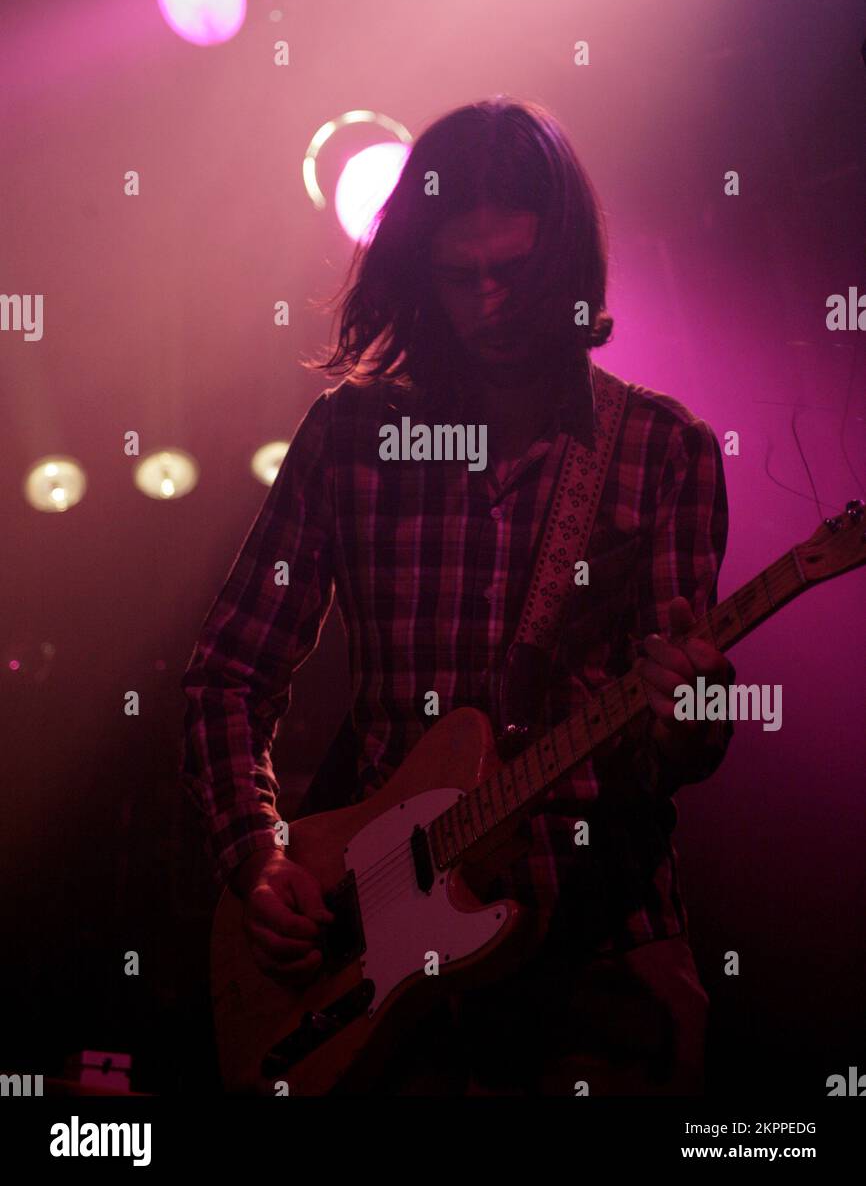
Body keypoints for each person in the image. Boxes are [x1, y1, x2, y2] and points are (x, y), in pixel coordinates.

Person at [181, 96, 735, 1095]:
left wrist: (692, 706)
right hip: (373, 952)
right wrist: (256, 856)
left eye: (513, 275)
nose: (486, 305)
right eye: (456, 276)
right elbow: (227, 673)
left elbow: (667, 755)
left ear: (564, 265)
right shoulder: (350, 438)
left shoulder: (662, 453)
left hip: (595, 952)